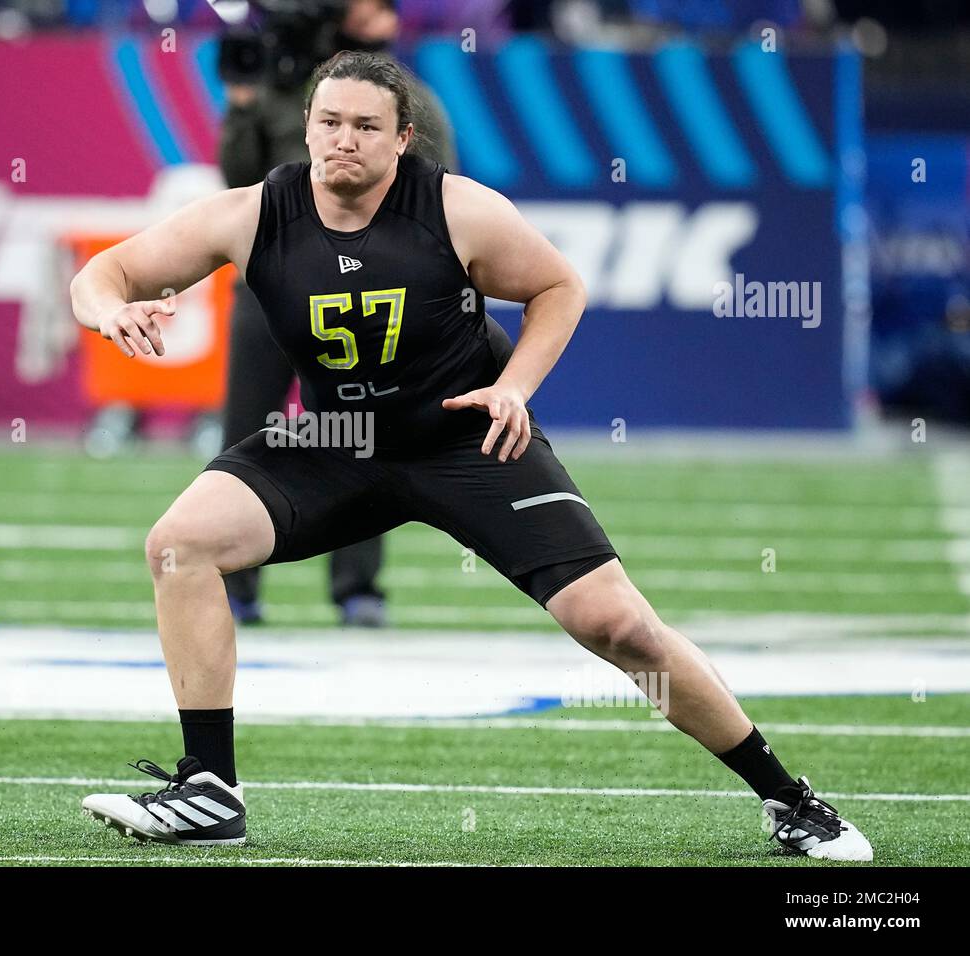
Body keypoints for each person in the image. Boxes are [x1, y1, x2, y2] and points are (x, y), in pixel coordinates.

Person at [70, 51, 872, 861]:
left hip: (466, 437)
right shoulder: (254, 213)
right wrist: (109, 311)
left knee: (619, 625)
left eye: (365, 126)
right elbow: (109, 270)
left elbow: (559, 288)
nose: (343, 140)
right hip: (337, 442)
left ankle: (789, 799)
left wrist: (514, 388)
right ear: (307, 125)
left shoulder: (454, 208)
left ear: (403, 139)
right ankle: (210, 791)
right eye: (329, 121)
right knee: (180, 544)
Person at [216, 0, 458, 627]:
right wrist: (243, 107)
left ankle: (357, 589)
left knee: (361, 438)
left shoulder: (406, 100)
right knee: (246, 433)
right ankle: (235, 586)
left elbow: (440, 192)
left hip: (364, 302)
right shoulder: (287, 93)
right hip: (270, 292)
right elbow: (237, 184)